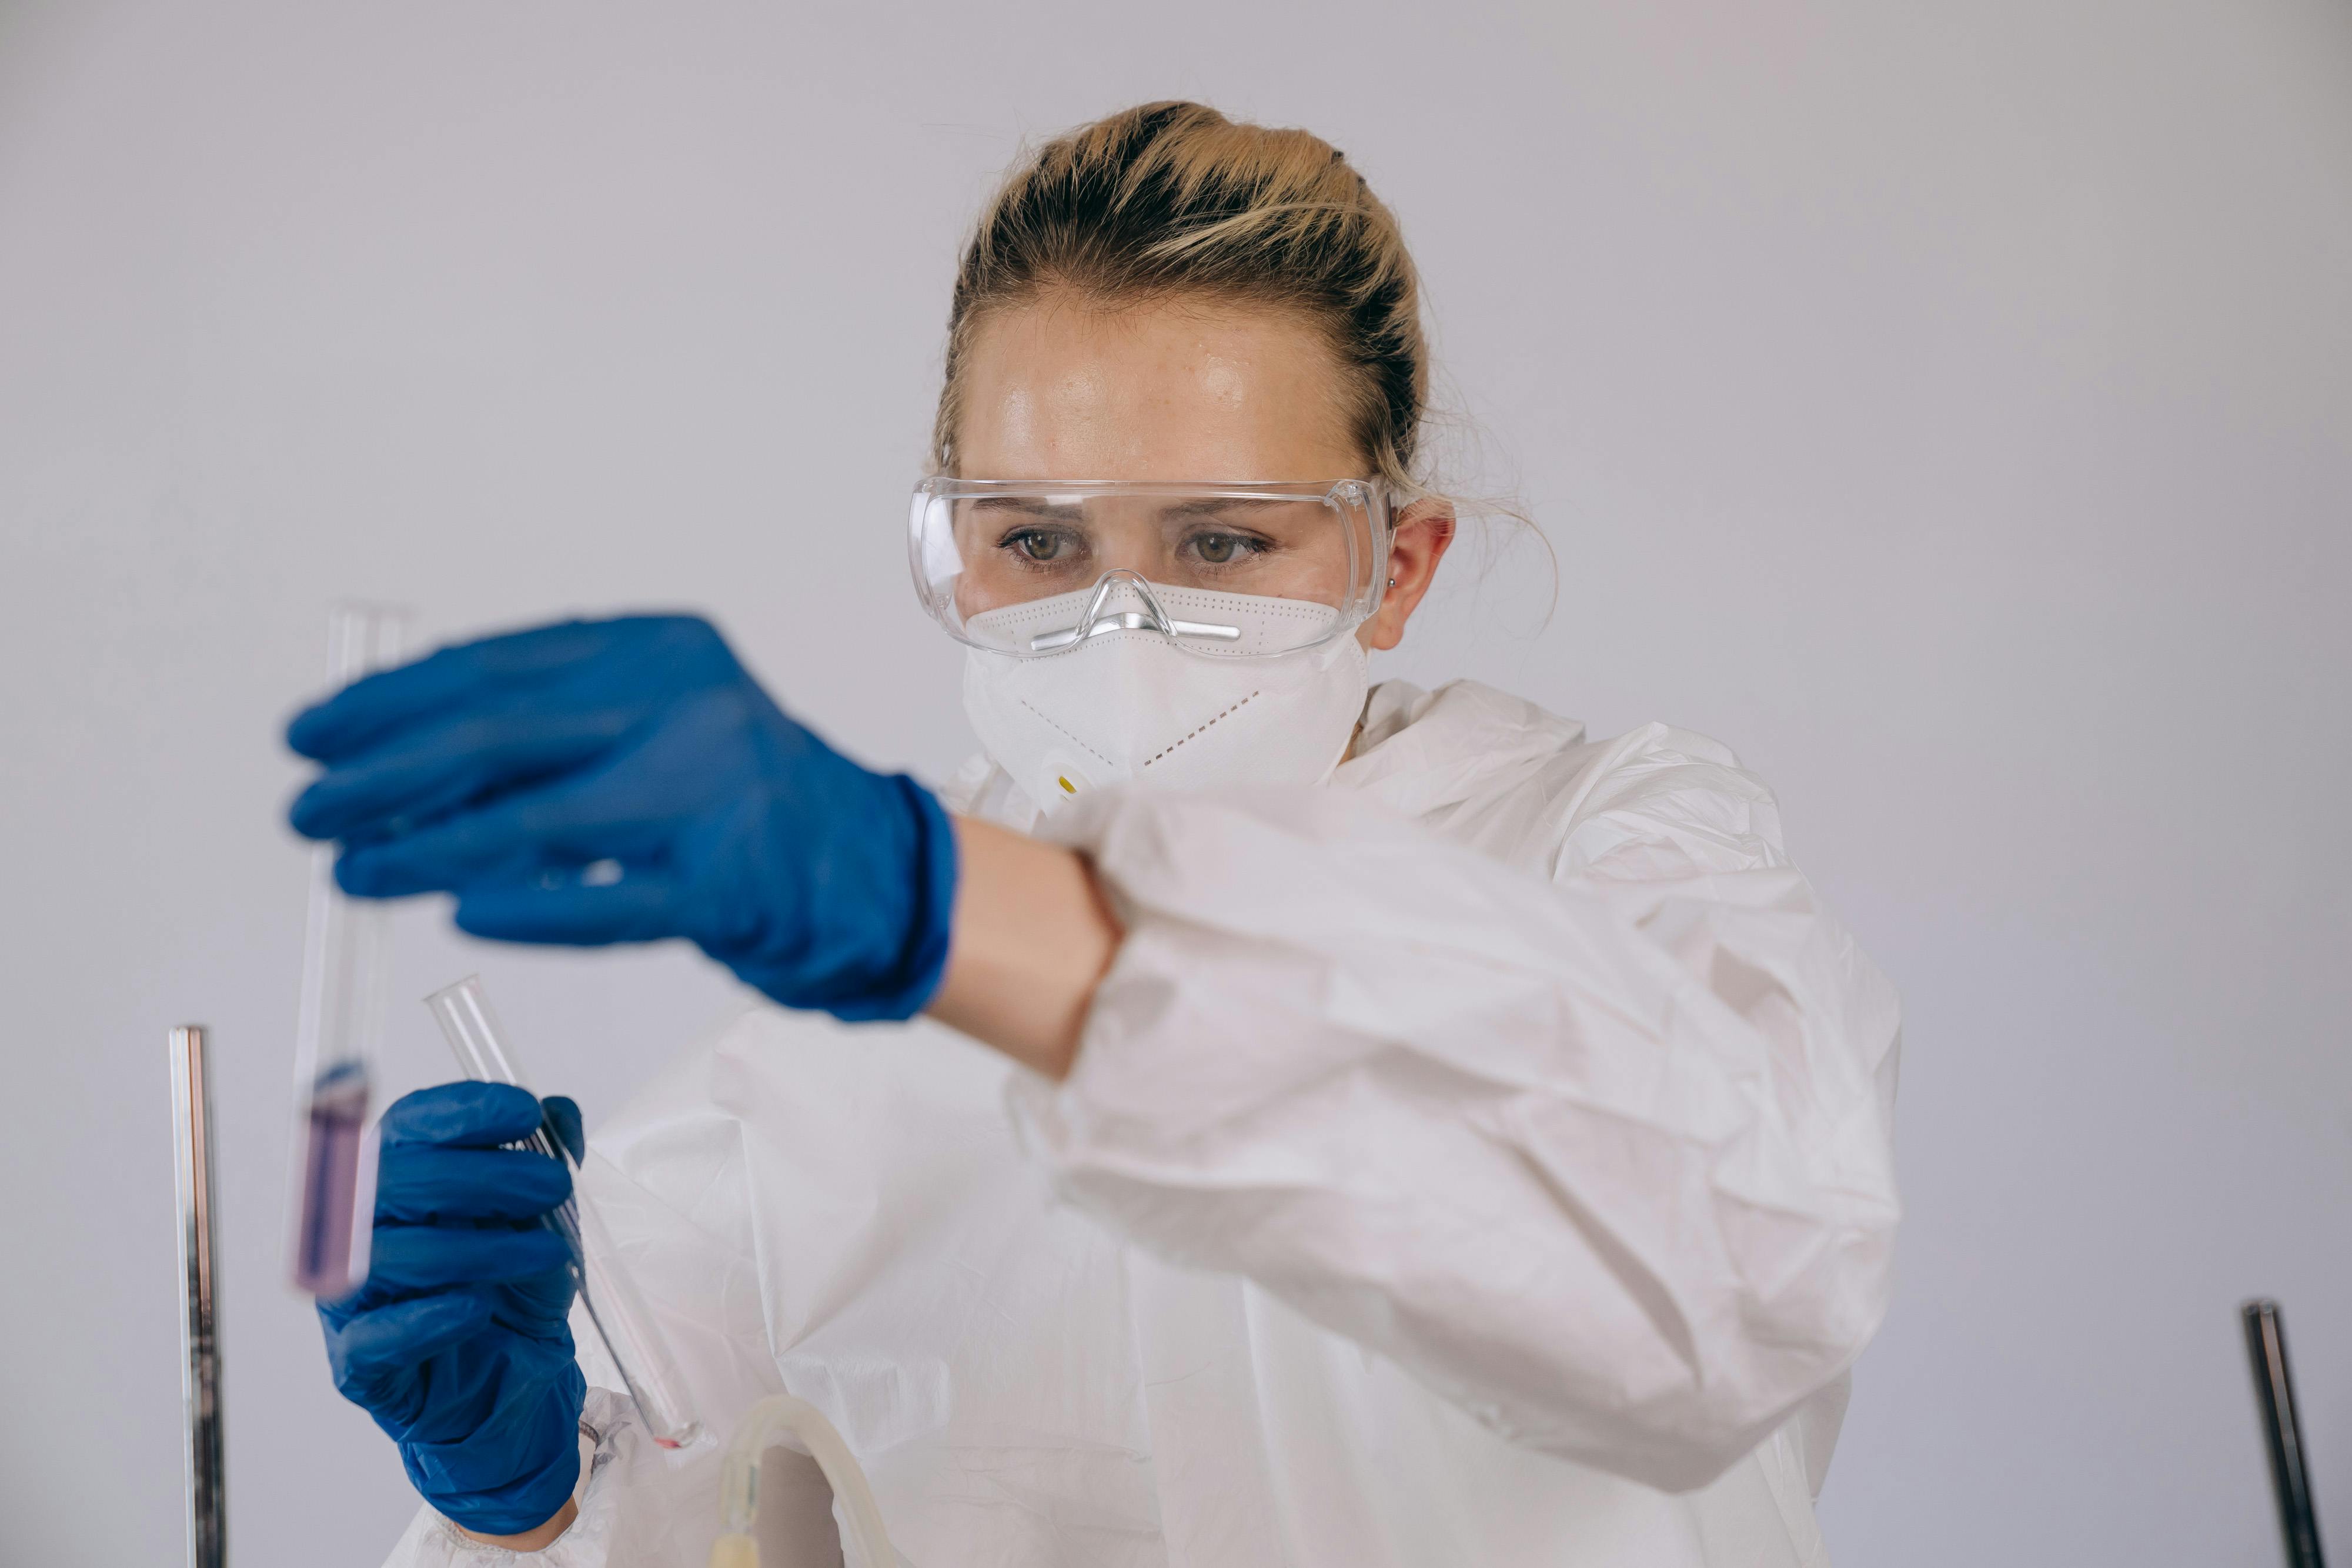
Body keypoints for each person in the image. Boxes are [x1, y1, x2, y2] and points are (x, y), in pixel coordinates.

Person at [288, 101, 1901, 1566]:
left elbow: (1736, 1268)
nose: (1121, 626)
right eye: (1039, 539)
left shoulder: (1610, 851)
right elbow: (694, 1497)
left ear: (1395, 566)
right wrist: (530, 1496)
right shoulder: (823, 1050)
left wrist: (973, 923)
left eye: (1223, 538)